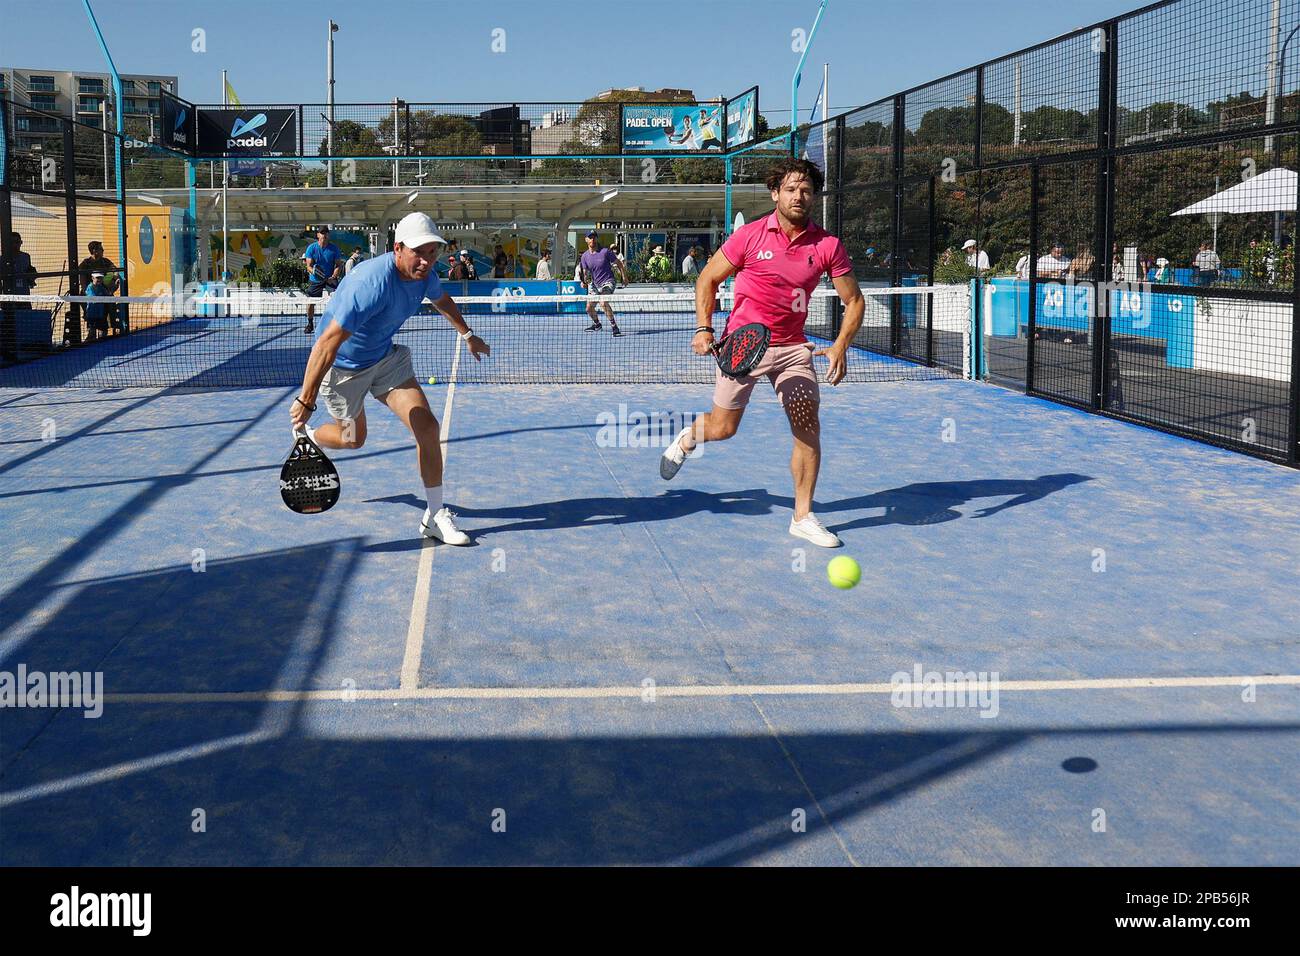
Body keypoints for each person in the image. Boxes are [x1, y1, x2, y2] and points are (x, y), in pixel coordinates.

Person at [659, 157, 864, 548]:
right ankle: (688, 438)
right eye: (790, 189)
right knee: (723, 428)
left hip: (793, 349)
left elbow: (854, 301)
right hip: (743, 345)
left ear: (814, 197)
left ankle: (802, 516)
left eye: (806, 190)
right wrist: (704, 328)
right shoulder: (750, 237)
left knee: (807, 426)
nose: (798, 196)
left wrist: (840, 345)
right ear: (775, 194)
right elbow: (708, 278)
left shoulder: (827, 246)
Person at [290, 212, 490, 544]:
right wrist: (306, 400)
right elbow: (326, 343)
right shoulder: (368, 284)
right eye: (419, 252)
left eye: (432, 252)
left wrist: (468, 334)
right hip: (342, 369)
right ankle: (311, 436)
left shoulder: (425, 275)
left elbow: (442, 300)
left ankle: (435, 516)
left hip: (384, 360)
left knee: (427, 427)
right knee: (354, 439)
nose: (426, 260)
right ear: (398, 248)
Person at [579, 230, 629, 335]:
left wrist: (624, 277)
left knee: (603, 302)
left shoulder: (605, 252)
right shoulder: (584, 256)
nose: (592, 239)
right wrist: (583, 281)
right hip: (595, 284)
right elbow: (584, 272)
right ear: (586, 240)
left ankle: (614, 327)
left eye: (594, 237)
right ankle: (597, 324)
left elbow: (619, 264)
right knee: (588, 307)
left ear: (596, 239)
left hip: (608, 281)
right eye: (590, 237)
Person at [302, 226, 343, 334]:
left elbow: (338, 265)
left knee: (338, 302)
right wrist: (316, 273)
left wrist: (334, 276)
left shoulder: (334, 249)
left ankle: (337, 324)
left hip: (330, 279)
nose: (324, 235)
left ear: (328, 235)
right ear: (318, 235)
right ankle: (310, 324)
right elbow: (309, 266)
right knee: (310, 302)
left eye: (326, 233)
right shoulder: (311, 248)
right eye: (322, 233)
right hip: (315, 280)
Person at [78, 240, 121, 334]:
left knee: (103, 323)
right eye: (101, 249)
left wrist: (112, 283)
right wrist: (91, 294)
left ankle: (105, 332)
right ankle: (91, 334)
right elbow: (83, 282)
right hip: (90, 296)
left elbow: (116, 272)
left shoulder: (106, 262)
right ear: (94, 251)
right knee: (92, 319)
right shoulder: (85, 264)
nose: (103, 250)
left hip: (104, 294)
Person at [83, 272, 111, 343]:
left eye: (101, 278)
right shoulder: (90, 287)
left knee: (103, 333)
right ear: (92, 278)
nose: (100, 279)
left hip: (101, 314)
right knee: (92, 334)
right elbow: (94, 297)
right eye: (97, 278)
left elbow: (108, 296)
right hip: (91, 315)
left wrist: (114, 288)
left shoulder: (101, 287)